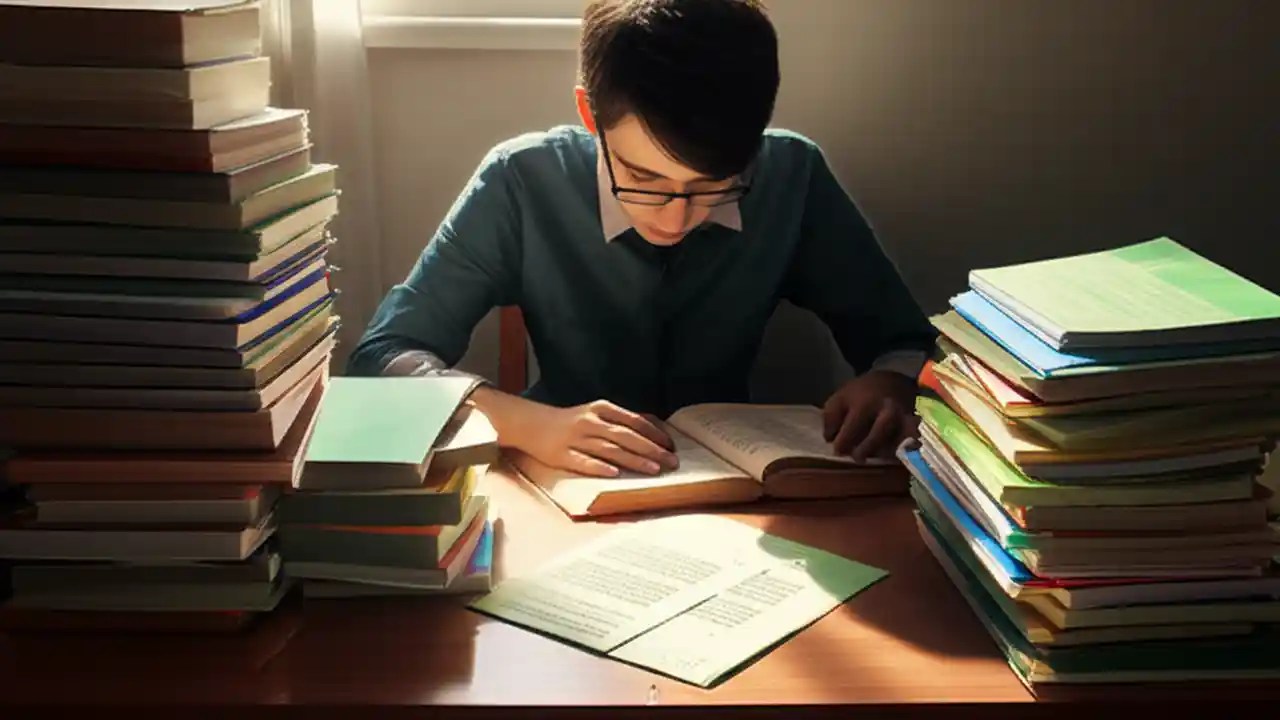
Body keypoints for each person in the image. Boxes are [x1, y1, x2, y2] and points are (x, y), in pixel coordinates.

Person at [348, 0, 936, 479]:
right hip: (564, 480)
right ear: (588, 114)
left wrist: (892, 381)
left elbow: (907, 341)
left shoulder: (791, 174)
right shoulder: (520, 180)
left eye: (714, 186)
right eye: (643, 179)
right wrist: (527, 424)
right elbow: (381, 359)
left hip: (740, 494)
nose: (677, 220)